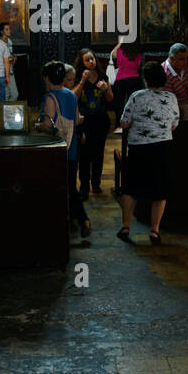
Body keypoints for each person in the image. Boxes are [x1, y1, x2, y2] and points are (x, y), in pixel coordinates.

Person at [117, 61, 180, 244]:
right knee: (160, 190)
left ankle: (125, 226)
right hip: (162, 147)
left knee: (131, 187)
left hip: (139, 147)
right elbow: (174, 125)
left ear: (145, 79)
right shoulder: (171, 98)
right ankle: (155, 230)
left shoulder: (137, 96)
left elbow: (124, 123)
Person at [35, 60, 88, 237]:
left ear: (48, 78)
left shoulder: (50, 97)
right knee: (71, 184)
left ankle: (60, 221)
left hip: (56, 149)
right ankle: (80, 218)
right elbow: (77, 119)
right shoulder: (71, 95)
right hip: (71, 146)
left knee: (56, 184)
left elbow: (48, 124)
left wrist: (37, 126)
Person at [72, 47, 113, 199]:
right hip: (84, 122)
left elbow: (110, 99)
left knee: (98, 154)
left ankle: (96, 184)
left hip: (101, 121)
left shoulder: (102, 76)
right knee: (84, 156)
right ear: (82, 63)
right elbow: (73, 98)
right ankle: (83, 186)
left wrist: (106, 88)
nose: (91, 62)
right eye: (87, 60)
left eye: (92, 59)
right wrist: (82, 81)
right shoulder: (77, 77)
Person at [161, 42, 188, 120]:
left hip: (186, 102)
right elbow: (169, 102)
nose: (186, 62)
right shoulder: (164, 73)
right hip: (172, 108)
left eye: (186, 58)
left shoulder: (183, 68)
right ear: (172, 59)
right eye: (182, 59)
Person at [110, 39, 143, 130]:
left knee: (119, 104)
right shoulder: (138, 53)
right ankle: (133, 125)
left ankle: (119, 125)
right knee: (134, 104)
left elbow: (112, 53)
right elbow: (138, 65)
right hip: (135, 80)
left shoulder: (120, 51)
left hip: (120, 79)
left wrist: (120, 42)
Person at [0, 21, 20, 100]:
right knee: (6, 95)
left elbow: (10, 55)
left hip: (10, 70)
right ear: (2, 31)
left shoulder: (9, 41)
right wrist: (10, 59)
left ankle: (6, 111)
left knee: (14, 94)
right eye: (6, 29)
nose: (9, 31)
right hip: (3, 71)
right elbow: (1, 58)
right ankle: (2, 111)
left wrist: (13, 57)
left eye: (9, 29)